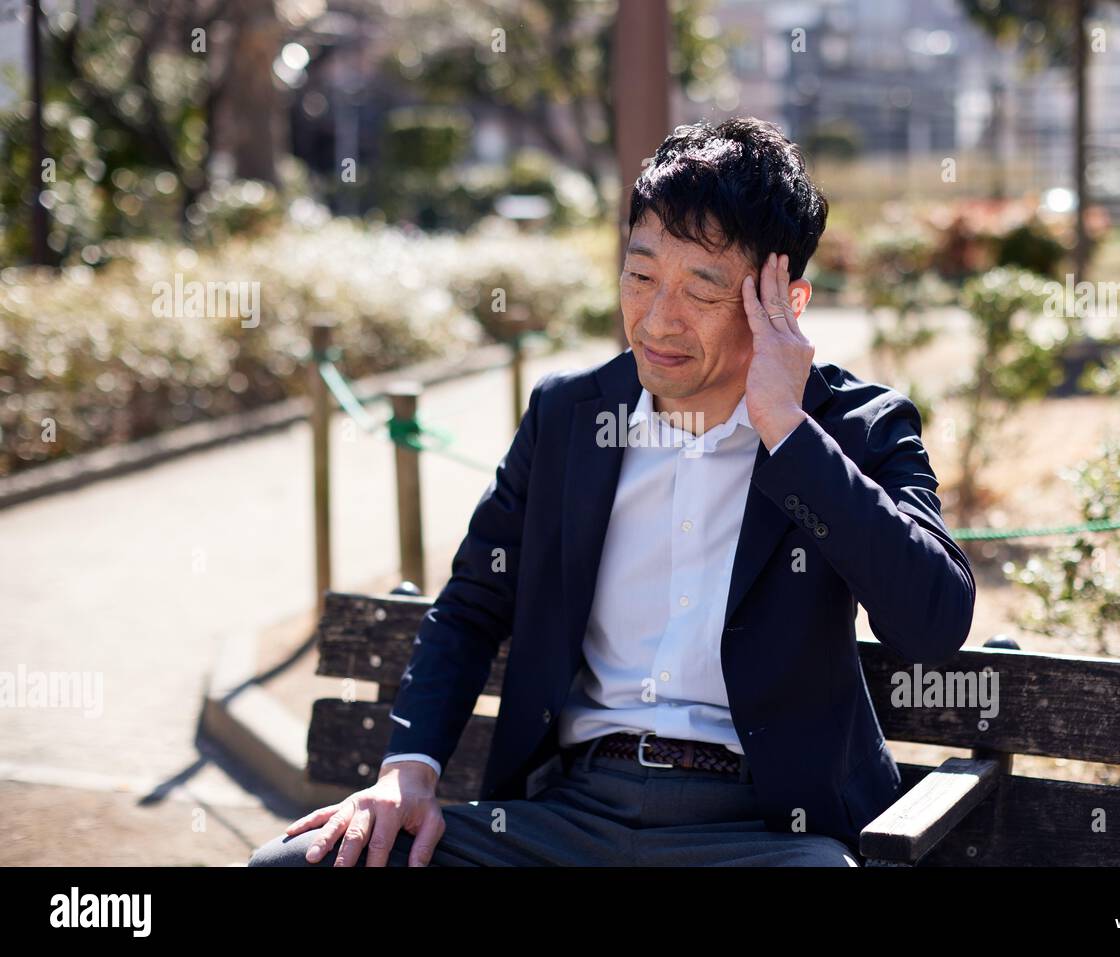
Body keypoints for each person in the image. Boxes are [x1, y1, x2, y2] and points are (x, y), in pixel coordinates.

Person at [248, 117, 976, 868]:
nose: (658, 320)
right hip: (562, 819)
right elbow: (468, 607)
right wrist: (410, 769)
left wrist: (787, 430)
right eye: (640, 275)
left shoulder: (853, 428)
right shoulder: (569, 416)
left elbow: (932, 620)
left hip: (766, 834)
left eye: (702, 288)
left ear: (786, 304)